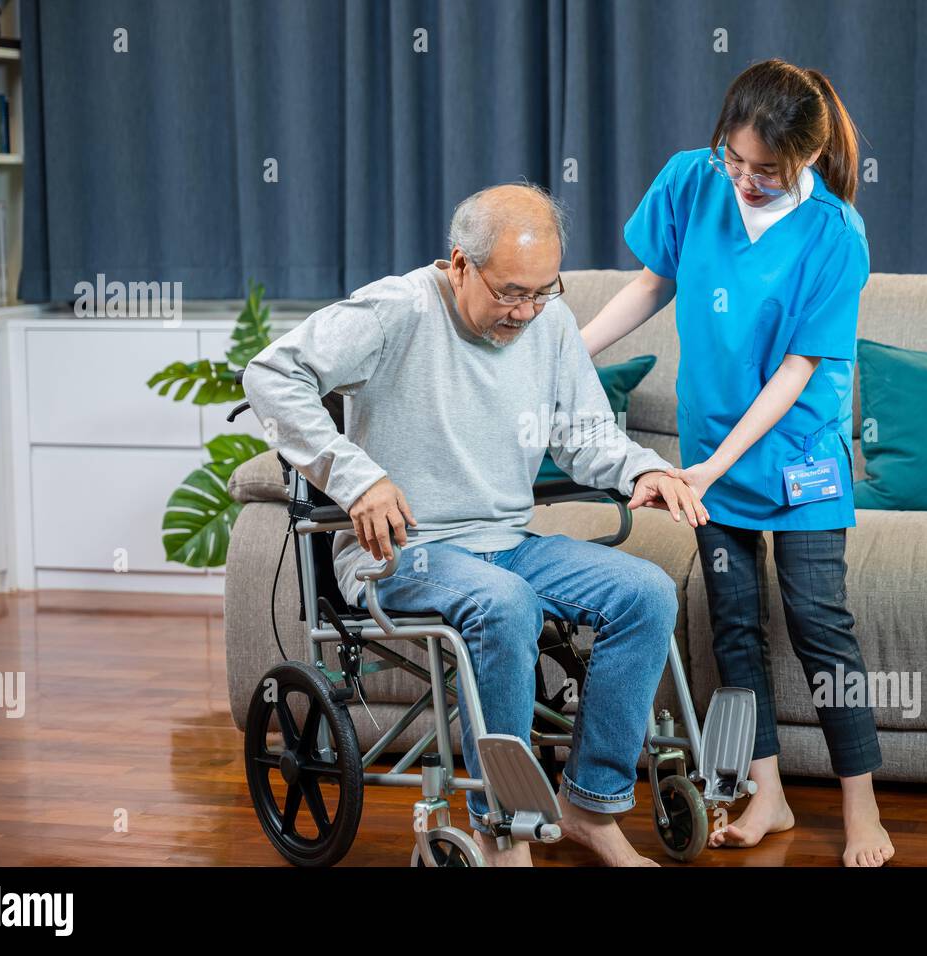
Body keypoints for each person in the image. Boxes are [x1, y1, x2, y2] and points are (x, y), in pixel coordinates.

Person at [243, 183, 708, 867]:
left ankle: (588, 806)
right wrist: (357, 478)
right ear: (460, 263)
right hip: (405, 551)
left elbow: (581, 432)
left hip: (507, 543)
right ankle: (503, 829)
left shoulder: (546, 322)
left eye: (541, 292)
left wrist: (643, 470)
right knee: (504, 602)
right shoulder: (394, 312)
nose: (526, 312)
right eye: (510, 293)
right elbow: (270, 375)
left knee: (645, 593)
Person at [580, 59, 894, 866]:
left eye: (769, 171)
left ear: (806, 160)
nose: (746, 181)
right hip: (706, 456)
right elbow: (652, 283)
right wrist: (572, 353)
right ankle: (769, 796)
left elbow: (798, 372)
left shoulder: (835, 232)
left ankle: (864, 813)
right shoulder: (693, 180)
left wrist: (711, 469)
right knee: (734, 630)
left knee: (823, 628)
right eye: (736, 160)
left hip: (794, 458)